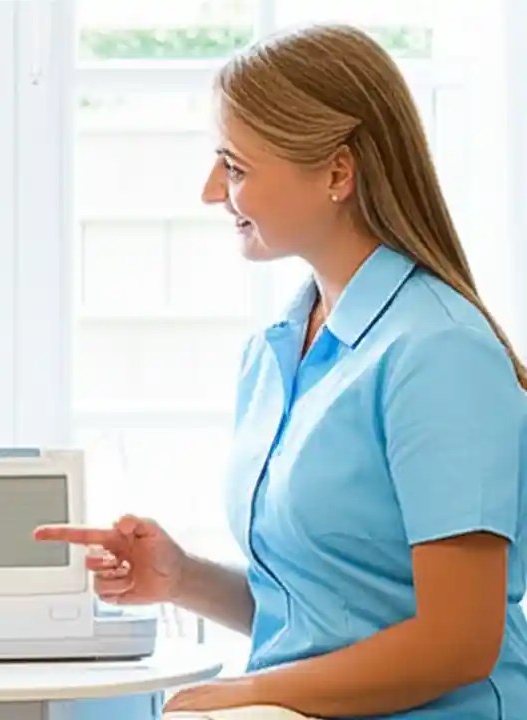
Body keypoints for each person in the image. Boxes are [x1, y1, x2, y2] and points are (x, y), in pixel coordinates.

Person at [36, 23, 527, 720]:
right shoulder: (277, 351)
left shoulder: (439, 353)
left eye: (234, 166)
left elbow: (458, 643)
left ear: (336, 172)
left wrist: (247, 690)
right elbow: (328, 615)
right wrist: (182, 577)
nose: (212, 192)